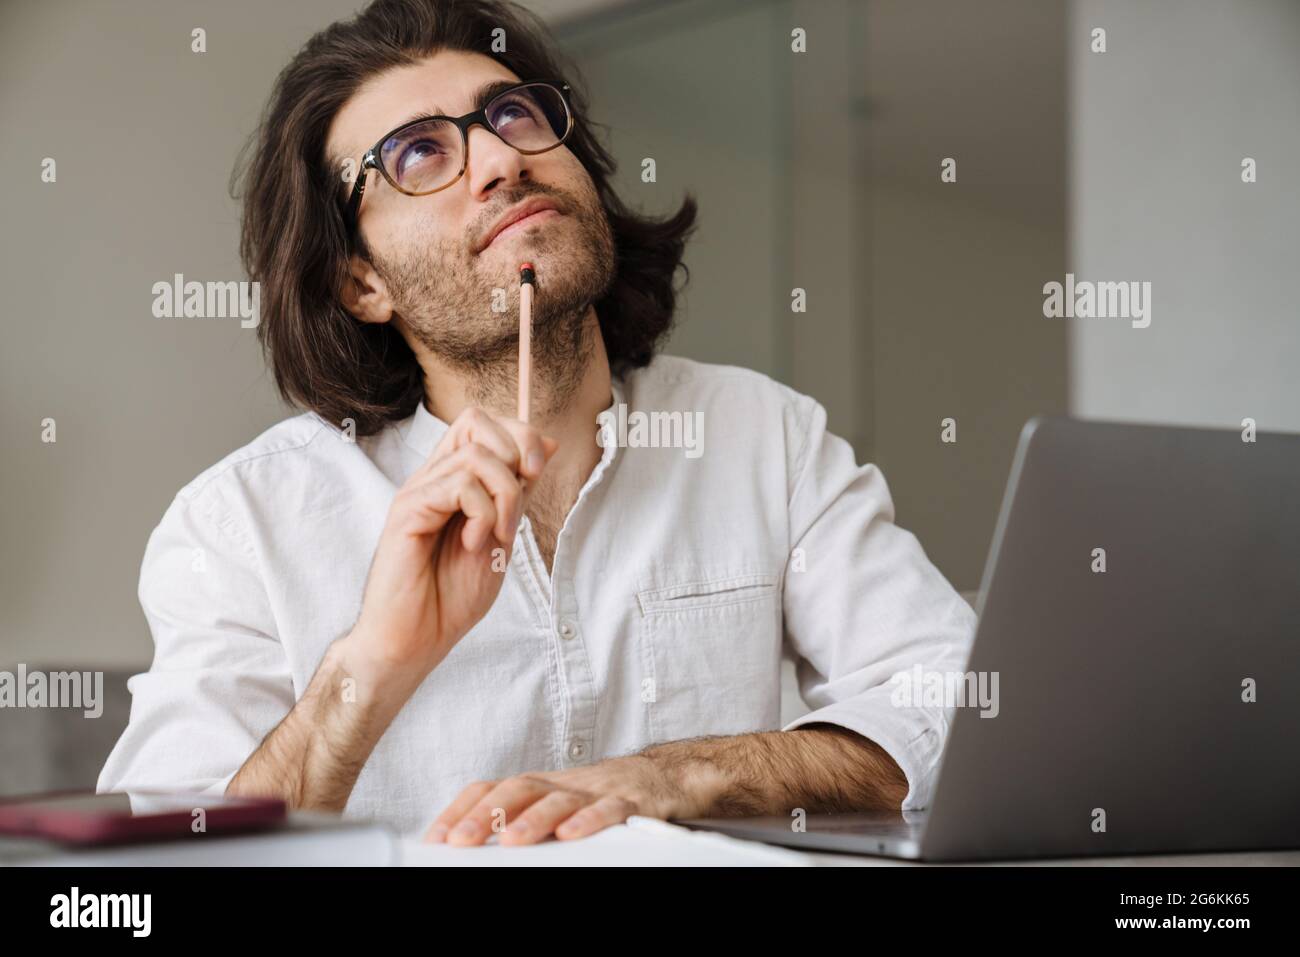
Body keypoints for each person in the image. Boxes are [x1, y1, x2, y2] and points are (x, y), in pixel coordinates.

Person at [99, 0, 975, 846]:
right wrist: (369, 666)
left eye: (513, 115)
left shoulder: (763, 437)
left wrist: (674, 776)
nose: (498, 163)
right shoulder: (239, 527)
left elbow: (956, 699)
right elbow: (160, 865)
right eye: (417, 154)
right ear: (361, 282)